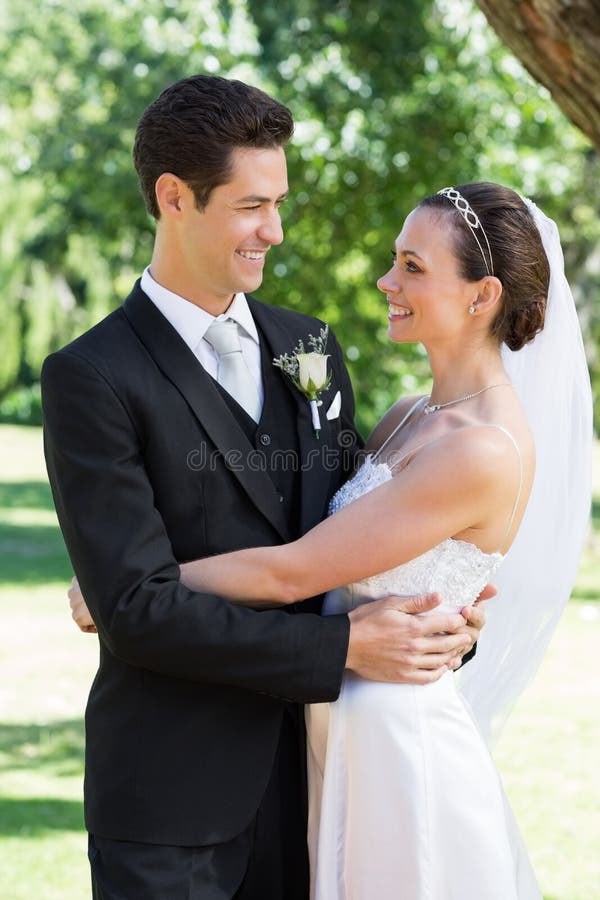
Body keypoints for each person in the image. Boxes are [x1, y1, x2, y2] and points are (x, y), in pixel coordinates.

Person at [42, 75, 487, 900]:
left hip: (327, 791)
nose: (274, 232)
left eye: (277, 203)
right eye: (252, 206)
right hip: (171, 811)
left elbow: (357, 532)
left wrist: (441, 615)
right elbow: (138, 612)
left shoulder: (309, 344)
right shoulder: (91, 378)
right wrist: (343, 649)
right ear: (174, 197)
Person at [101, 182, 589, 898]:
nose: (387, 281)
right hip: (335, 722)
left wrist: (129, 584)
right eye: (395, 260)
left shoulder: (481, 448)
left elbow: (293, 570)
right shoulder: (407, 415)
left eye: (413, 268)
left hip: (398, 742)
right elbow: (327, 530)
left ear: (482, 296)